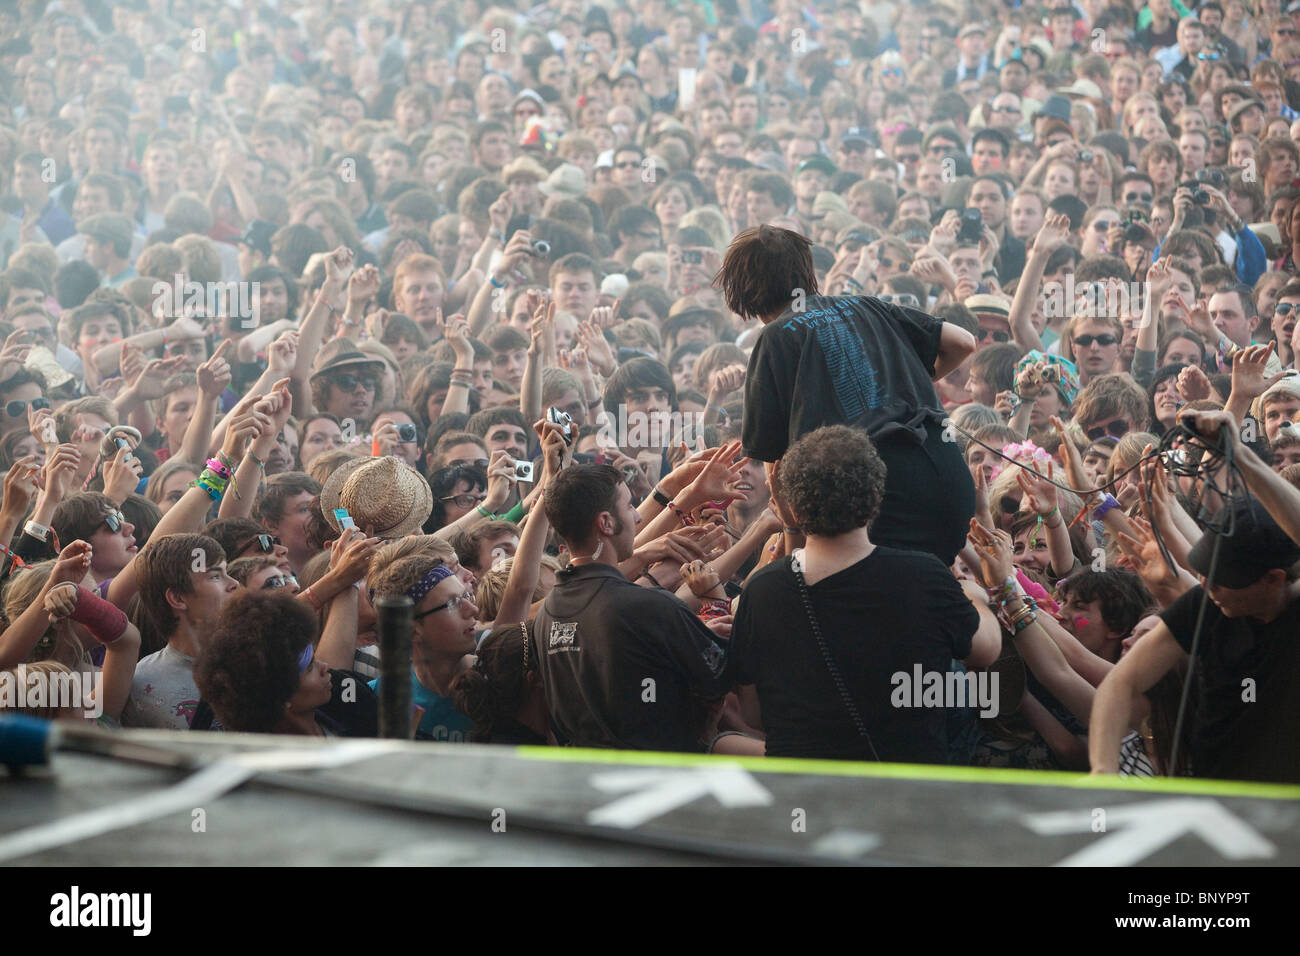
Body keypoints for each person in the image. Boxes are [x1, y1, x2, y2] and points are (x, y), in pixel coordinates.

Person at [731, 425, 998, 762]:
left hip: (802, 792)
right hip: (902, 792)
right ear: (876, 501)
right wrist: (974, 593)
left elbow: (752, 714)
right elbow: (986, 651)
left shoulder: (762, 590)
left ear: (793, 510)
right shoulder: (923, 575)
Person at [722, 225, 977, 564]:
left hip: (869, 495)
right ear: (806, 271)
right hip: (948, 477)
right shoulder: (867, 305)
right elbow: (963, 342)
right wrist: (914, 382)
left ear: (740, 290)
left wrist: (794, 549)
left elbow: (776, 464)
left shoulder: (775, 338)